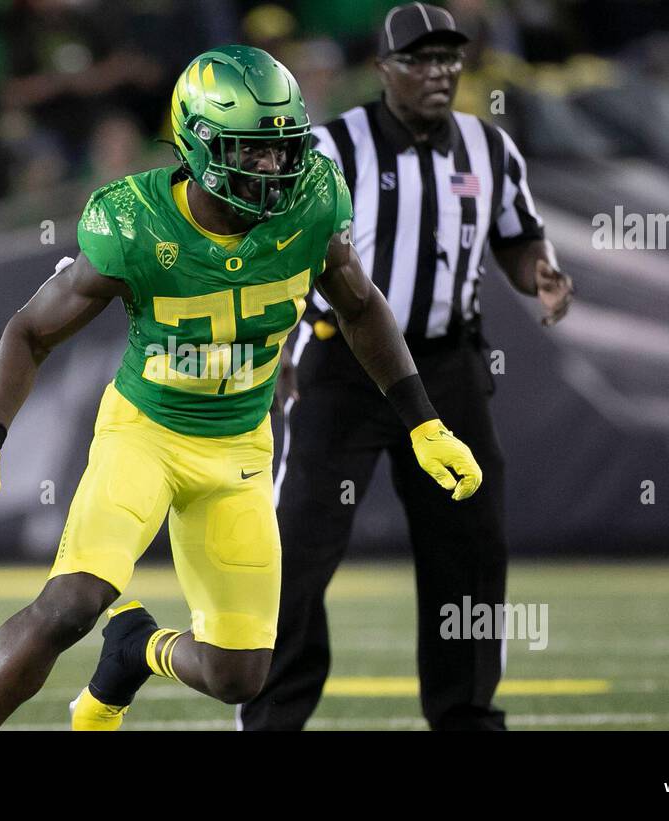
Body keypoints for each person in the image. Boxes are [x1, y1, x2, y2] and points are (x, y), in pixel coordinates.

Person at [0, 44, 482, 730]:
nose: (274, 169)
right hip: (145, 436)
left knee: (239, 673)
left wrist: (423, 423)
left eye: (283, 149)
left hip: (239, 450)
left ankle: (136, 650)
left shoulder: (312, 201)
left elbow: (360, 305)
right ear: (196, 143)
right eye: (252, 151)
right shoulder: (134, 222)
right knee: (73, 601)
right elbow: (30, 331)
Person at [239, 3, 574, 732]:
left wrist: (541, 273)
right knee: (296, 546)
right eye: (420, 60)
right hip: (341, 364)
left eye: (449, 59)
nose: (438, 73)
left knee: (471, 545)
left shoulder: (489, 149)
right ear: (384, 68)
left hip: (448, 367)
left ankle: (465, 711)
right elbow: (281, 251)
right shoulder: (331, 148)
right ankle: (271, 716)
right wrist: (278, 350)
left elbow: (518, 238)